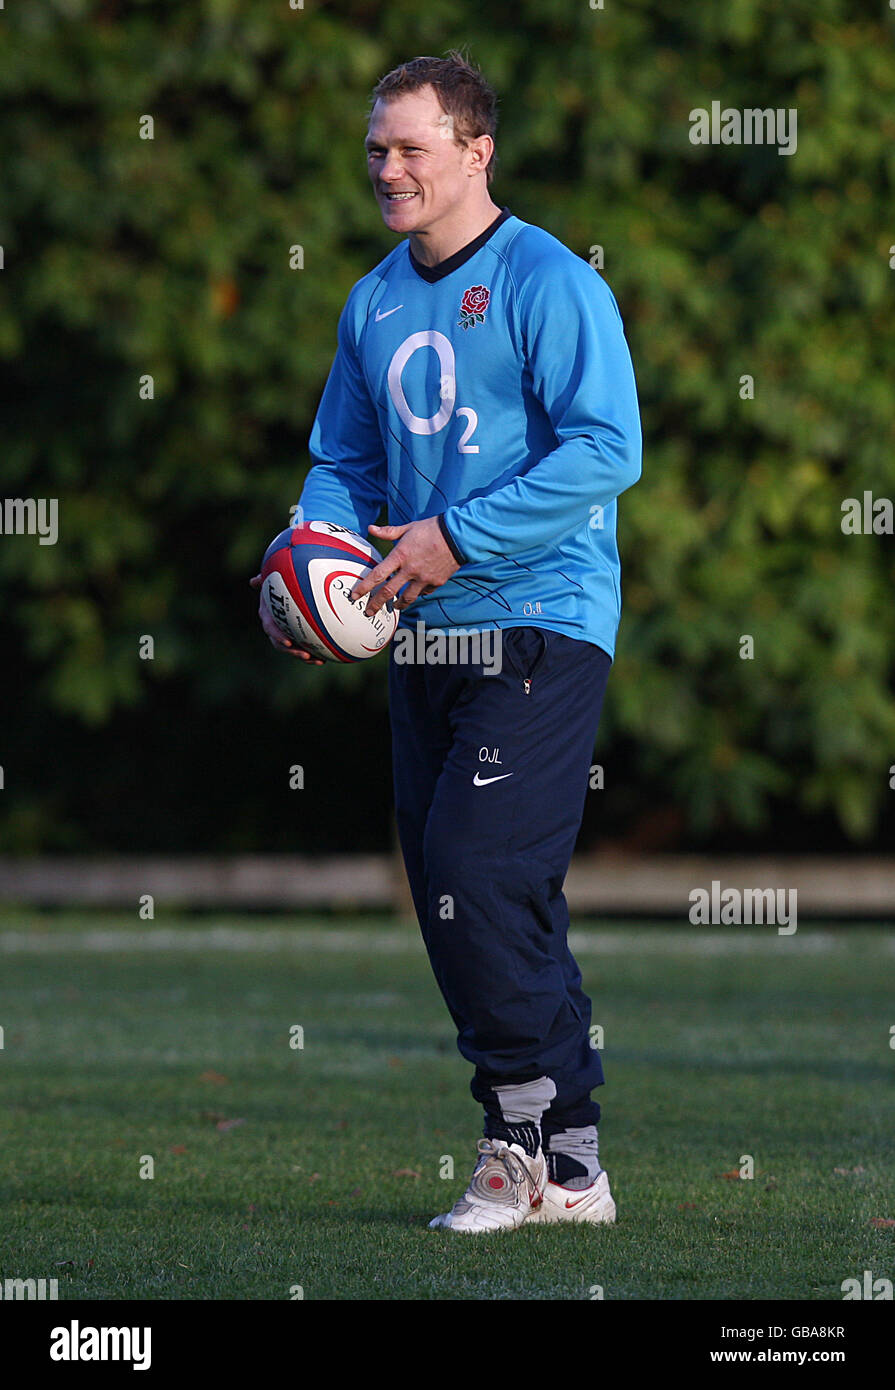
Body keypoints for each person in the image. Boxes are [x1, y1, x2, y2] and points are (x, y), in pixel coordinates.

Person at [251, 51, 642, 1234]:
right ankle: (574, 1166)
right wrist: (309, 546)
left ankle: (515, 1137)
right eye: (377, 147)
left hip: (540, 617)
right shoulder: (369, 298)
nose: (389, 166)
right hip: (420, 637)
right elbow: (343, 456)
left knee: (478, 870)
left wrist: (454, 539)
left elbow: (603, 450)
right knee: (462, 890)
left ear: (476, 152)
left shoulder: (551, 279)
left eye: (412, 146)